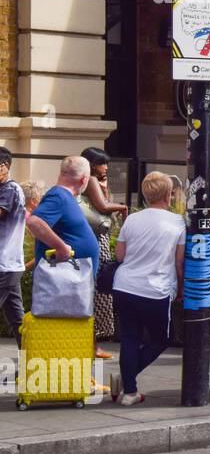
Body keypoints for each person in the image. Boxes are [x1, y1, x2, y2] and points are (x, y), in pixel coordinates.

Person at [111, 172, 186, 405]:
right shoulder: (178, 222)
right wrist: (182, 289)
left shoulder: (132, 219)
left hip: (124, 286)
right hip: (156, 289)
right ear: (168, 194)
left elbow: (120, 255)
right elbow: (179, 261)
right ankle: (127, 379)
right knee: (160, 340)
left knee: (129, 338)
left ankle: (130, 389)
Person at [26, 156, 99, 320]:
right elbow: (35, 222)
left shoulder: (63, 197)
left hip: (69, 286)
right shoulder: (59, 196)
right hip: (62, 285)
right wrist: (61, 247)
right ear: (83, 180)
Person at [81, 148, 128, 355]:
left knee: (96, 287)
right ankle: (93, 342)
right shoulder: (90, 179)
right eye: (103, 163)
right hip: (96, 235)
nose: (106, 167)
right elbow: (101, 205)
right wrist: (122, 207)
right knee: (98, 286)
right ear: (92, 164)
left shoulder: (93, 180)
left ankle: (93, 342)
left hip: (96, 233)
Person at [0, 149, 25, 345]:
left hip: (4, 264)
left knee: (17, 318)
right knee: (17, 319)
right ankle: (32, 361)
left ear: (5, 166)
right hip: (9, 265)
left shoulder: (9, 189)